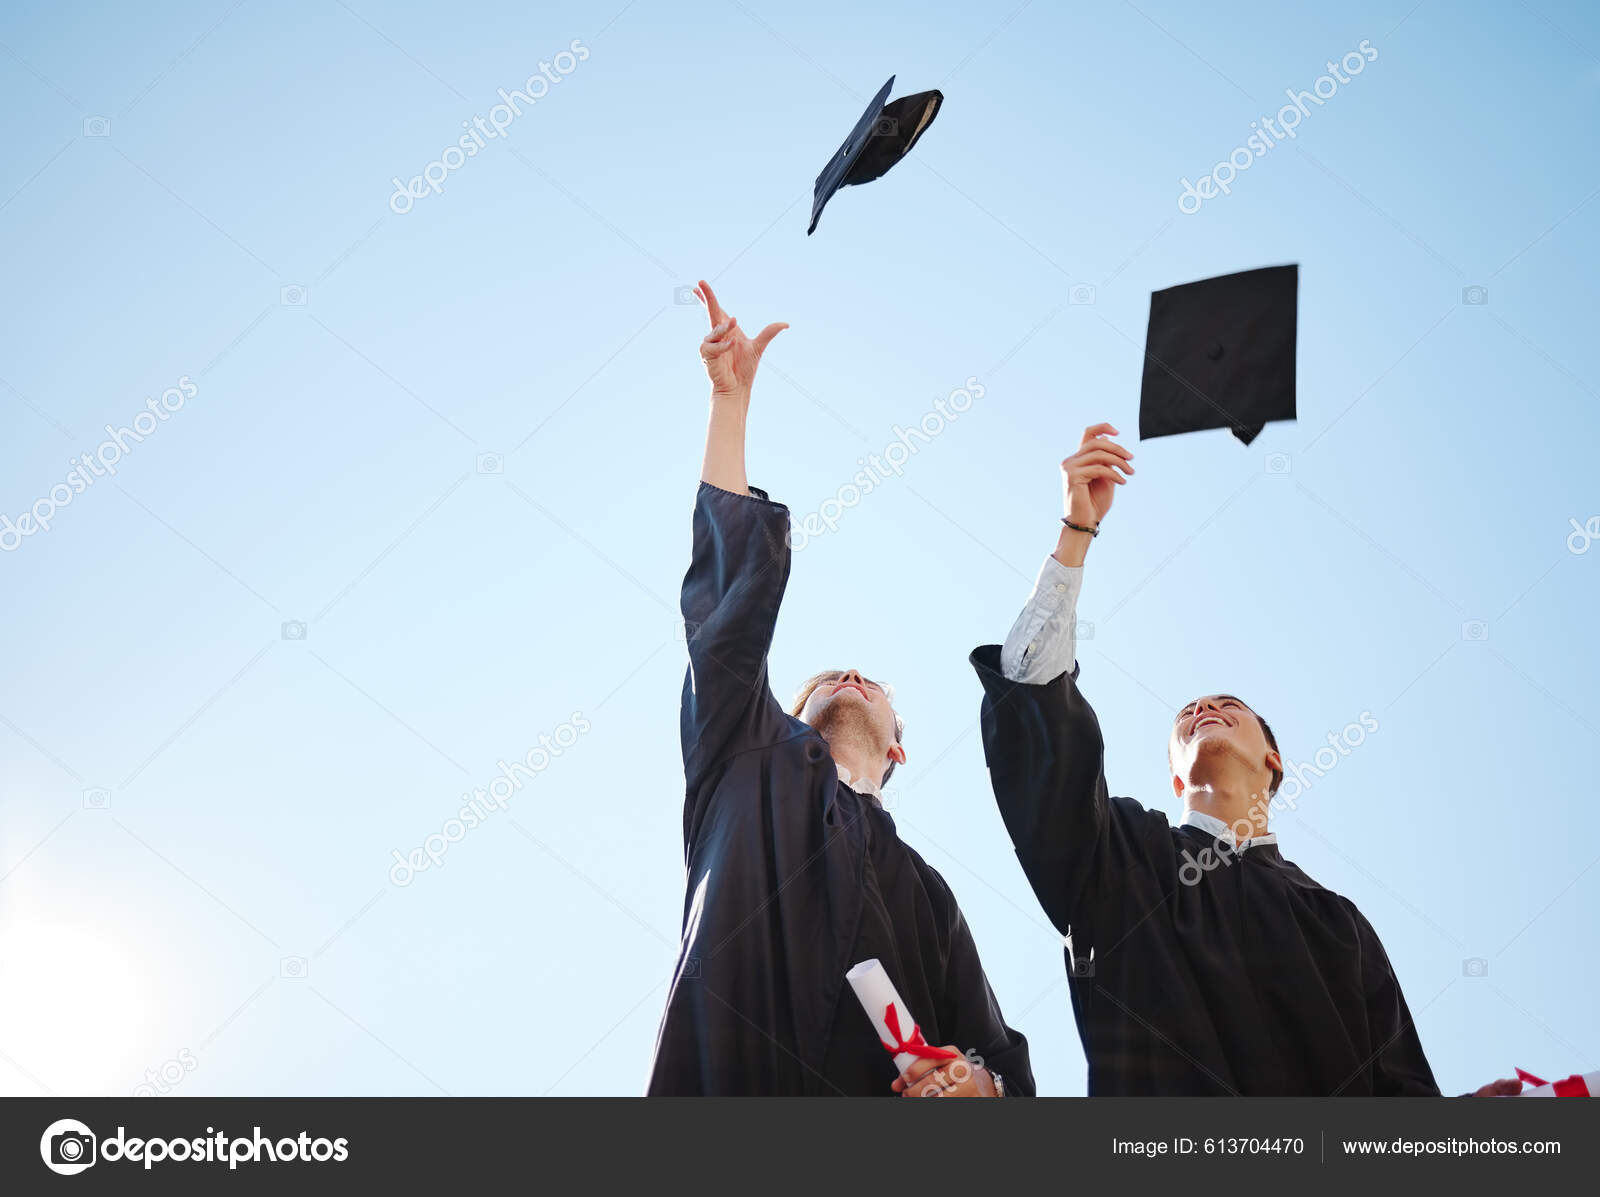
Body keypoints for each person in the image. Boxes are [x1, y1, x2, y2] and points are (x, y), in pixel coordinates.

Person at [969, 421, 1519, 1097]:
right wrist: (1075, 532)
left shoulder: (1336, 924)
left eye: (1227, 703)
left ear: (1274, 760)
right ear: (1176, 775)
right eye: (1187, 715)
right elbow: (1034, 708)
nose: (1202, 708)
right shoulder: (1120, 859)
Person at [646, 281, 1033, 1097]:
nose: (851, 677)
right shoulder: (744, 756)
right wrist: (730, 405)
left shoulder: (929, 895)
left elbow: (996, 1056)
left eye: (872, 682)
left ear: (898, 747)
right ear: (788, 712)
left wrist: (979, 1089)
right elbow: (725, 611)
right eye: (828, 677)